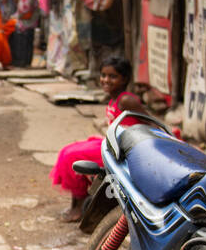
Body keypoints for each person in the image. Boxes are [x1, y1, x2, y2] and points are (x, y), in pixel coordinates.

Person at [50, 57, 143, 222]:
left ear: (125, 79)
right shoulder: (114, 97)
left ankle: (78, 208)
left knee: (73, 156)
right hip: (112, 143)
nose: (106, 80)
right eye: (103, 75)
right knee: (67, 150)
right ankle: (79, 202)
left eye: (112, 76)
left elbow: (148, 122)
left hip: (122, 150)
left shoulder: (126, 100)